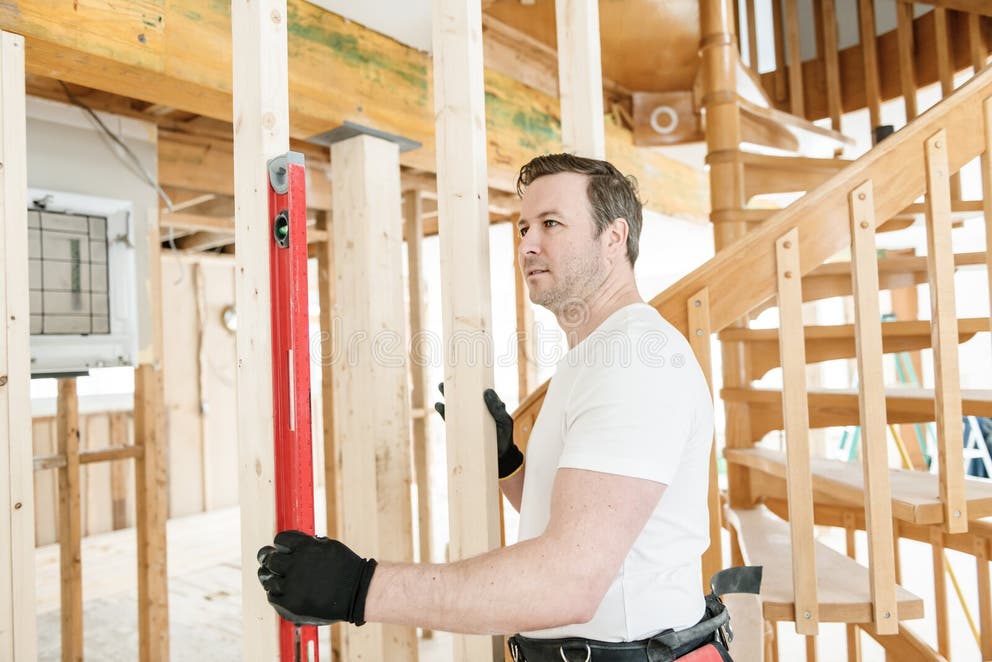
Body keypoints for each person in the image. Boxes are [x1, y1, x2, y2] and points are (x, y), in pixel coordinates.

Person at [258, 154, 731, 661]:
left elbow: (570, 578)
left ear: (614, 238)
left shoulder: (635, 359)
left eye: (551, 223)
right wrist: (509, 465)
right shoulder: (594, 356)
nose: (527, 244)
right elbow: (586, 524)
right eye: (524, 226)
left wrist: (358, 587)